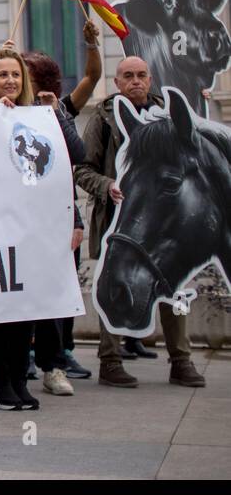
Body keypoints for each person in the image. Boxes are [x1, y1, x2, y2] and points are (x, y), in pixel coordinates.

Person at [74, 55, 206, 389]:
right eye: (128, 76)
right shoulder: (103, 118)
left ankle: (181, 361)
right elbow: (82, 169)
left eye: (142, 75)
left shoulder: (168, 113)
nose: (136, 81)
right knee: (115, 287)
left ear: (150, 79)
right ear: (117, 83)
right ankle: (110, 361)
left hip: (166, 222)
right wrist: (109, 186)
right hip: (119, 220)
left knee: (175, 288)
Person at [0, 46, 84, 409]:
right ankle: (0, 385)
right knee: (0, 310)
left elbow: (76, 155)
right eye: (2, 75)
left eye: (15, 75)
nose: (10, 80)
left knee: (27, 309)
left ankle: (21, 380)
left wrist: (56, 114)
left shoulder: (40, 116)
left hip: (33, 230)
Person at [20, 49, 92, 394]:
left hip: (54, 219)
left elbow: (75, 157)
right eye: (13, 74)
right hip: (14, 219)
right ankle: (19, 364)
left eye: (24, 75)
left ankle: (54, 365)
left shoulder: (53, 111)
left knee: (53, 294)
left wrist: (56, 113)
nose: (17, 81)